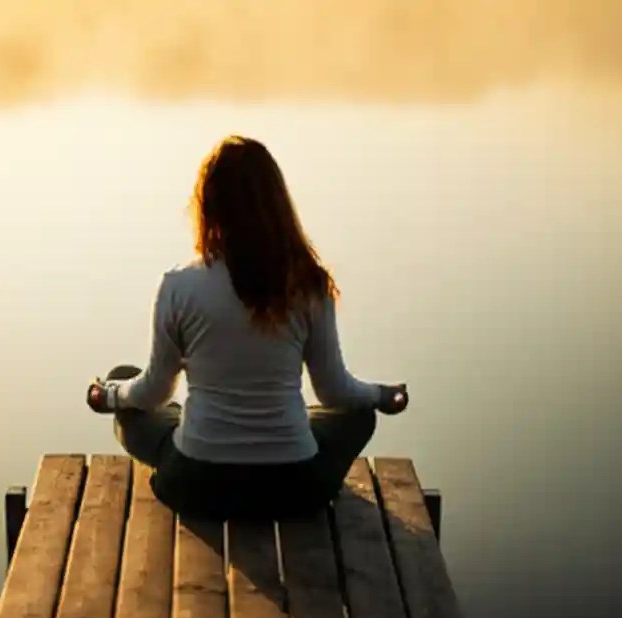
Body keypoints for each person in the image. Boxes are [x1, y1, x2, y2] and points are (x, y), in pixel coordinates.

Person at [85, 135, 407, 521]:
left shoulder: (178, 286)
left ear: (208, 206)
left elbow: (154, 392)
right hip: (296, 487)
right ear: (276, 204)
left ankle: (151, 414)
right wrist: (381, 395)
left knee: (124, 382)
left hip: (196, 485)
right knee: (359, 413)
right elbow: (334, 391)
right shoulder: (308, 283)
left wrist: (110, 397)